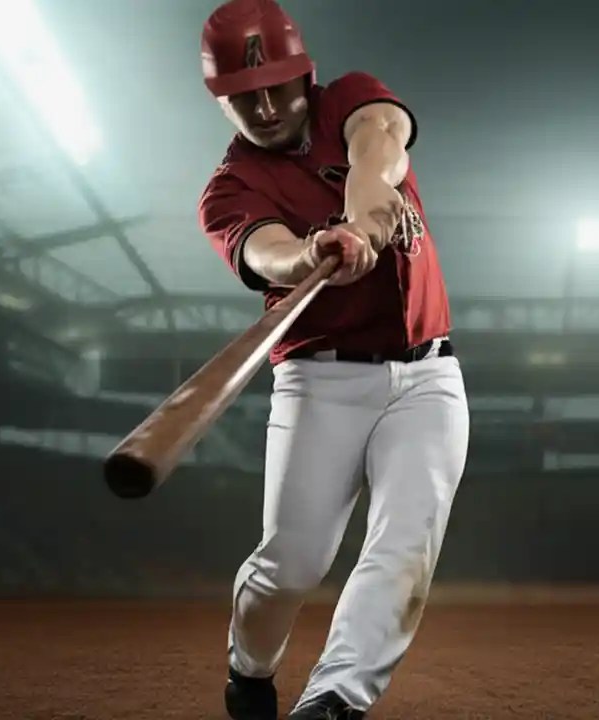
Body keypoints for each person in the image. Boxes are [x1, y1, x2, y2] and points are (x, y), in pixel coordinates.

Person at [196, 1, 470, 717]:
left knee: (405, 542)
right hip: (318, 380)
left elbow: (379, 152)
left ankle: (337, 697)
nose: (262, 105)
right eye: (241, 96)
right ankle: (249, 666)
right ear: (219, 100)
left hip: (429, 375)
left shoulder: (350, 97)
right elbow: (264, 251)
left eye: (278, 86)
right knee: (292, 564)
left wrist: (362, 218)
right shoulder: (228, 190)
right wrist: (310, 252)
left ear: (306, 77)